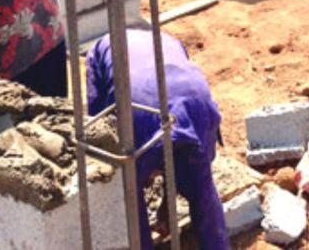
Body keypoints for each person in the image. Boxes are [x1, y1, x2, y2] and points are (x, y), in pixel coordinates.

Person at [85, 29, 228, 250]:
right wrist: (167, 204)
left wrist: (130, 168)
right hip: (196, 103)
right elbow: (178, 144)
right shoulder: (168, 40)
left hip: (139, 110)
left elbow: (99, 125)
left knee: (131, 195)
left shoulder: (97, 52)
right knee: (201, 188)